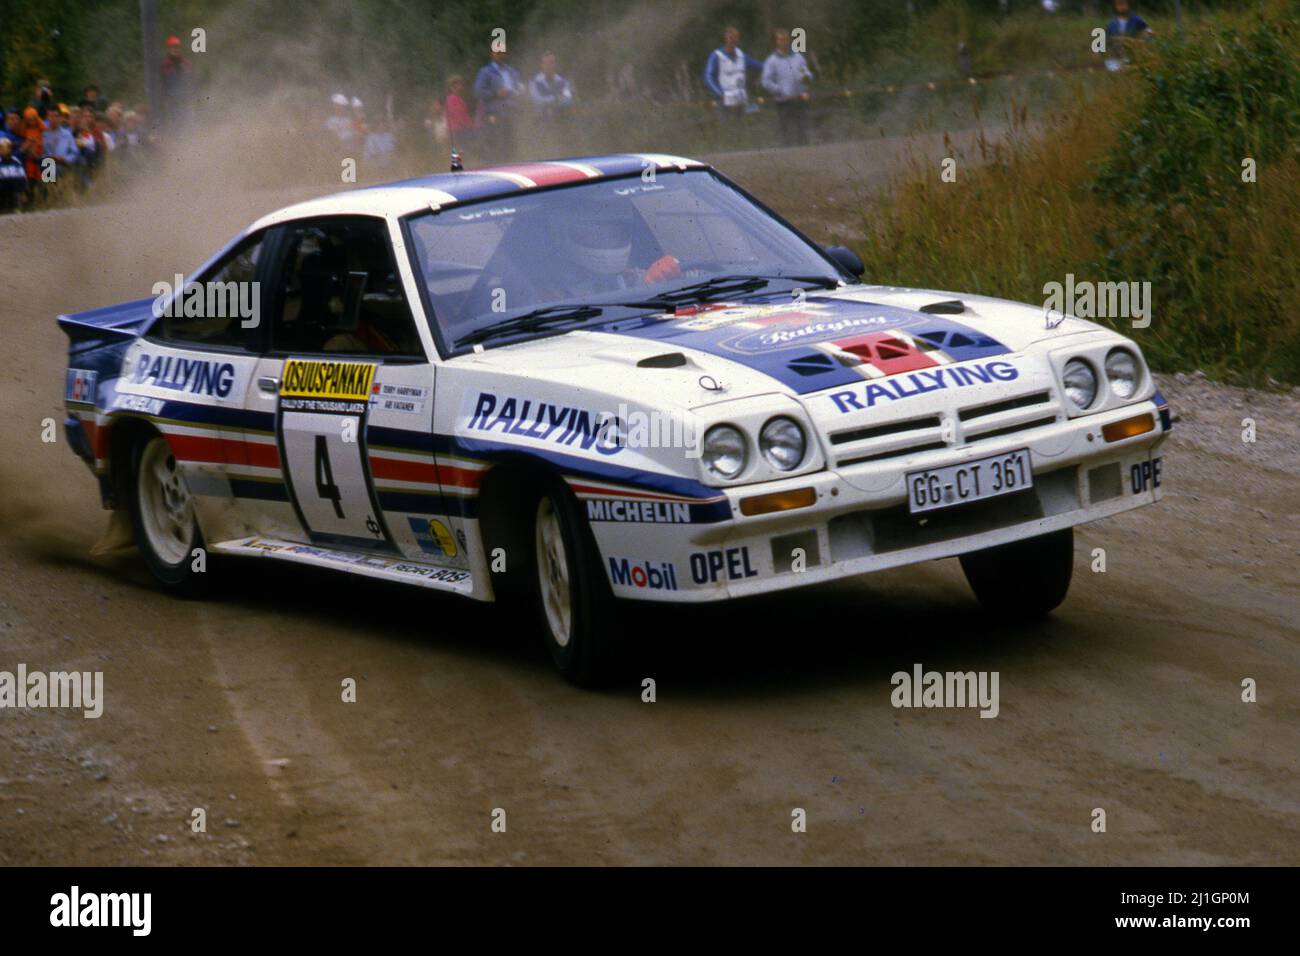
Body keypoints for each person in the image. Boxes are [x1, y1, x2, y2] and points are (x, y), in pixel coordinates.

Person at [761, 28, 814, 146]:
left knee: (803, 129)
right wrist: (779, 90)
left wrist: (807, 77)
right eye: (781, 39)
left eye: (786, 39)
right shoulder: (771, 60)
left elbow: (807, 73)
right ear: (776, 42)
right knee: (786, 130)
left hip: (800, 98)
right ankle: (787, 157)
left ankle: (806, 154)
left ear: (789, 41)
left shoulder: (798, 57)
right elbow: (766, 81)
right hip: (783, 101)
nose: (783, 42)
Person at [702, 26, 763, 120]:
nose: (733, 40)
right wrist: (720, 93)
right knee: (726, 129)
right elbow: (708, 77)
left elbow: (760, 66)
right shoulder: (716, 56)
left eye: (735, 37)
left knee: (740, 129)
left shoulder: (741, 55)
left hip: (740, 100)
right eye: (730, 37)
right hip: (724, 101)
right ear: (725, 38)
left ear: (738, 39)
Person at [474, 46, 521, 158]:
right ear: (492, 54)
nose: (500, 55)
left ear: (506, 54)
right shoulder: (485, 72)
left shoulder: (512, 71)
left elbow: (518, 88)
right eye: (497, 53)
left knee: (512, 146)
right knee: (497, 147)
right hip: (494, 115)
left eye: (502, 53)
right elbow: (478, 92)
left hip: (511, 113)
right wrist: (496, 94)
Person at [160, 34, 194, 129]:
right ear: (168, 49)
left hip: (186, 99)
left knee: (189, 124)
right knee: (175, 125)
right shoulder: (165, 64)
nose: (175, 49)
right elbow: (163, 84)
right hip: (172, 101)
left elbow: (192, 81)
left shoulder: (186, 63)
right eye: (173, 47)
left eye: (177, 47)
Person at [529, 52, 575, 118]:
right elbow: (537, 100)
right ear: (541, 65)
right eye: (545, 63)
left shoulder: (564, 82)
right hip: (540, 119)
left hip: (561, 118)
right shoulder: (534, 82)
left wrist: (550, 101)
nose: (548, 66)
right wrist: (556, 98)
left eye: (551, 62)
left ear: (555, 64)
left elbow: (568, 99)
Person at [0, 137, 28, 212]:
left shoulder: (16, 161)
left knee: (16, 186)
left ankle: (15, 208)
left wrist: (23, 191)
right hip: (2, 187)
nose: (6, 150)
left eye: (8, 147)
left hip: (14, 188)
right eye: (2, 148)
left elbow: (22, 177)